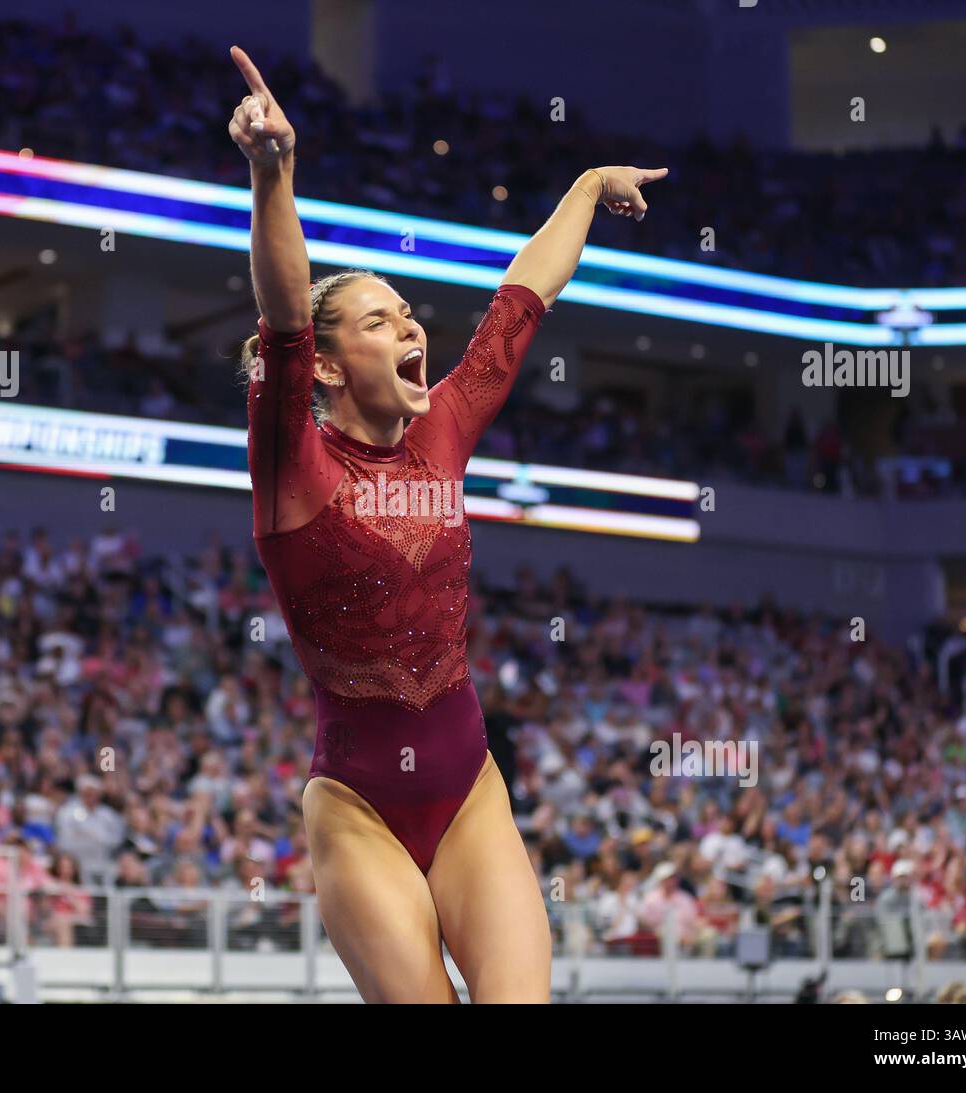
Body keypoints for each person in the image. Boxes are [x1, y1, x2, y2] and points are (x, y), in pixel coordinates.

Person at [227, 44, 666, 1002]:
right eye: (379, 322)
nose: (409, 328)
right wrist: (273, 175)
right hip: (358, 812)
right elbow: (284, 319)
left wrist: (587, 186)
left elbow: (520, 304)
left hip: (470, 790)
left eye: (407, 313)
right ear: (333, 367)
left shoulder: (446, 431)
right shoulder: (291, 468)